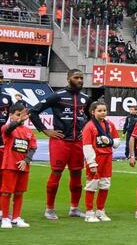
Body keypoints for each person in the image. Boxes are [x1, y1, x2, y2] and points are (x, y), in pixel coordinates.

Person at [29, 68, 106, 220]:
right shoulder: (57, 96)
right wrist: (45, 130)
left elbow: (93, 118)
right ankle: (49, 209)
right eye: (76, 78)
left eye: (81, 78)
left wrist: (86, 130)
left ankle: (74, 208)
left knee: (77, 175)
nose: (80, 81)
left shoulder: (85, 98)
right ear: (68, 78)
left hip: (78, 143)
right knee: (56, 174)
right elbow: (33, 111)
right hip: (60, 142)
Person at [80, 102, 117, 223]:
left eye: (104, 110)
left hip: (107, 159)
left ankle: (100, 211)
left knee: (105, 185)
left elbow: (116, 142)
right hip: (96, 159)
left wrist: (110, 142)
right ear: (93, 112)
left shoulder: (110, 125)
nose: (103, 113)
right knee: (92, 185)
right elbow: (87, 146)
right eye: (100, 111)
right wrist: (91, 163)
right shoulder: (89, 126)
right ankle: (89, 213)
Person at [1, 102, 36, 229]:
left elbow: (32, 147)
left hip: (23, 166)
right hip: (9, 165)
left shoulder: (28, 131)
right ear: (11, 115)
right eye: (17, 115)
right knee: (6, 193)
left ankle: (16, 218)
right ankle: (5, 218)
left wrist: (26, 160)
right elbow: (9, 129)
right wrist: (18, 121)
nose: (20, 117)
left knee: (19, 193)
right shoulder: (6, 128)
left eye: (22, 115)